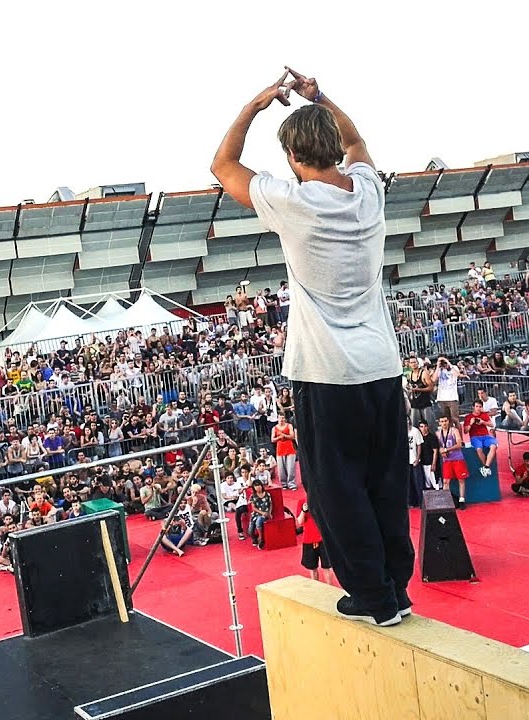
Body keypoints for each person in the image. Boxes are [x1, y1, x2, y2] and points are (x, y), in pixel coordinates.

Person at [211, 66, 411, 626]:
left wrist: (255, 103)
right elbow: (359, 142)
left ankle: (373, 597)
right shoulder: (370, 194)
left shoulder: (291, 202)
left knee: (335, 489)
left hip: (325, 372)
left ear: (294, 158)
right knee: (385, 481)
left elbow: (222, 165)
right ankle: (396, 585)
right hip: (381, 364)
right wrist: (319, 96)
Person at [295, 500, 334, 585]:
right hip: (309, 539)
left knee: (327, 567)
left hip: (324, 539)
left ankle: (331, 589)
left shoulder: (321, 497)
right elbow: (299, 522)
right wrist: (304, 510)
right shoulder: (302, 501)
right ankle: (316, 589)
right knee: (312, 568)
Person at [436, 417, 467, 509]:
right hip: (447, 460)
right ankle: (447, 501)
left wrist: (446, 449)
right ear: (439, 423)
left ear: (448, 421)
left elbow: (459, 444)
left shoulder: (454, 430)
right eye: (442, 421)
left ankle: (462, 500)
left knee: (461, 479)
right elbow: (438, 446)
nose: (444, 423)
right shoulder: (438, 433)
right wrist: (441, 451)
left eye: (445, 421)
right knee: (446, 481)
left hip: (457, 458)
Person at [462, 400, 496, 478]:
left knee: (493, 446)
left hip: (486, 436)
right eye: (477, 406)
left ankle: (486, 467)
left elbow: (491, 424)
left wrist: (483, 422)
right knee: (479, 449)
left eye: (480, 407)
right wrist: (471, 423)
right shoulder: (468, 417)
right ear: (473, 407)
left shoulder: (484, 415)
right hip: (475, 437)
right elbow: (465, 431)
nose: (478, 408)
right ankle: (485, 467)